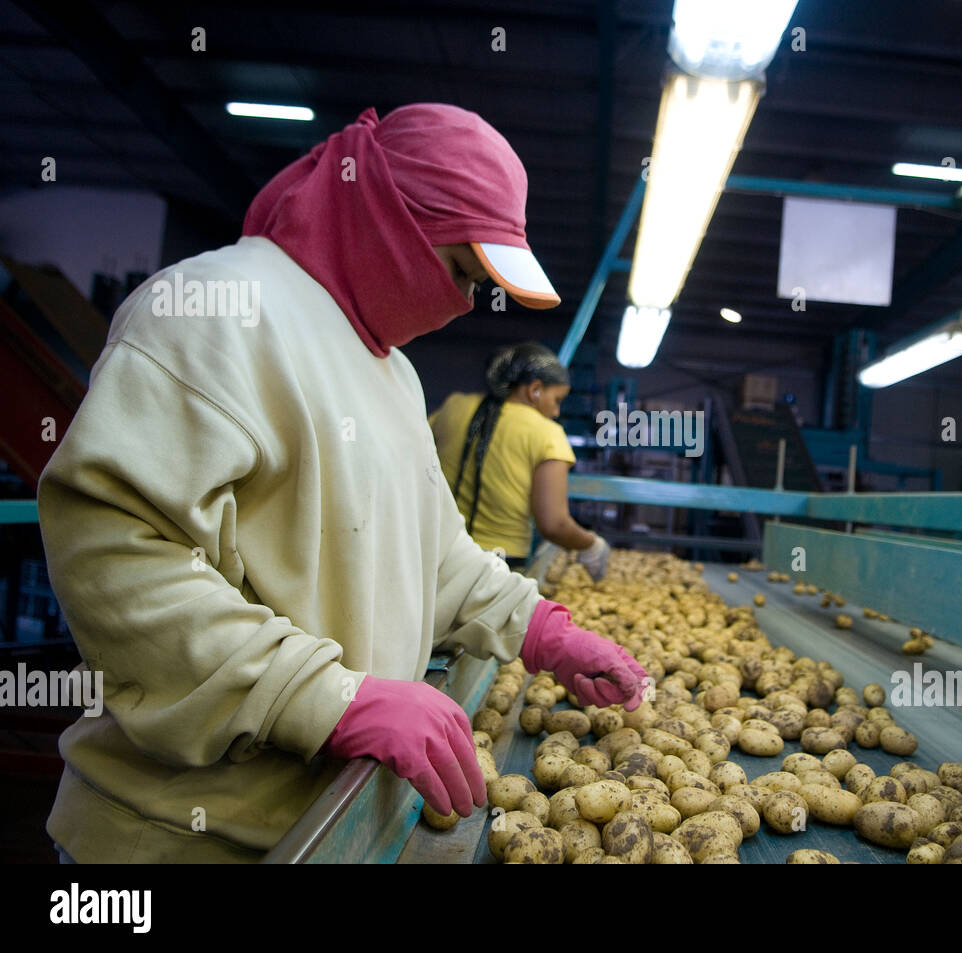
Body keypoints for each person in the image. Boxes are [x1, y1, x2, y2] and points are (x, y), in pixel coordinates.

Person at [36, 104, 646, 863]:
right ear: (391, 215)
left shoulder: (393, 371)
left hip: (330, 825)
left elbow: (432, 555)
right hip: (181, 836)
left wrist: (541, 629)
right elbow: (120, 560)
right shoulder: (213, 312)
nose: (460, 305)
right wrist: (327, 697)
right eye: (459, 272)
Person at [430, 342, 610, 578]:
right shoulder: (547, 433)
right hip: (498, 569)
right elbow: (554, 524)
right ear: (534, 389)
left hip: (437, 556)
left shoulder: (453, 407)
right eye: (556, 400)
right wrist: (591, 544)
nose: (556, 412)